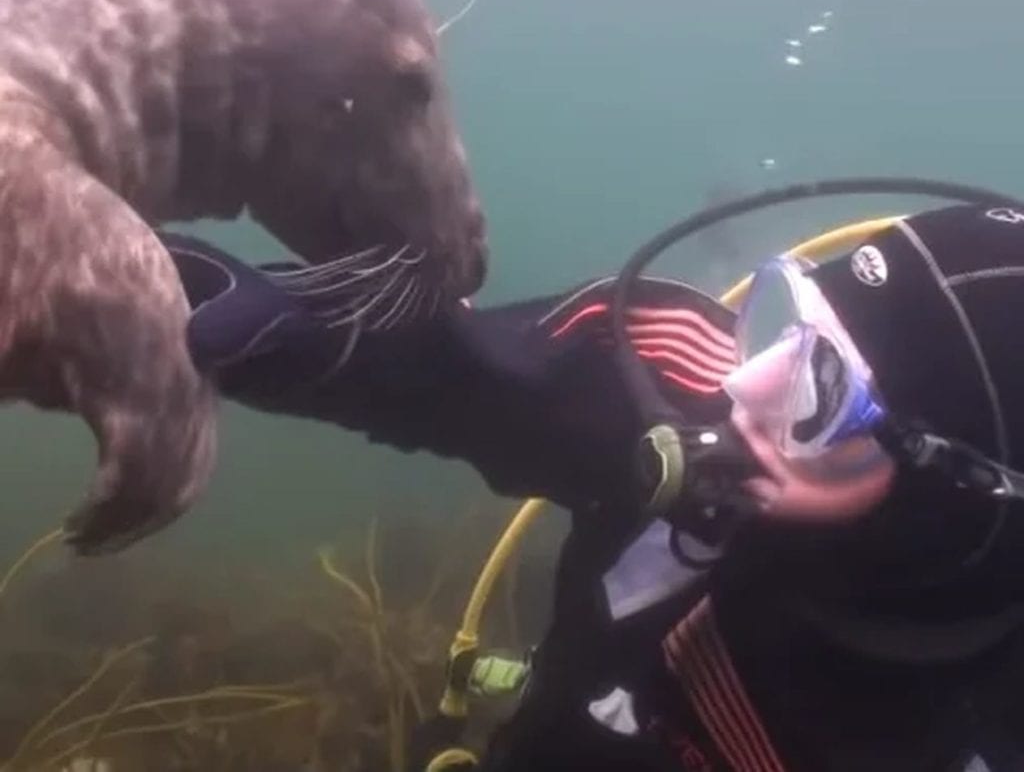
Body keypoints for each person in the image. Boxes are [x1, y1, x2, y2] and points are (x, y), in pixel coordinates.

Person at [161, 198, 1024, 772]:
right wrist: (282, 329)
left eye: (825, 386)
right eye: (790, 322)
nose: (745, 383)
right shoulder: (673, 383)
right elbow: (457, 377)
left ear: (957, 501)